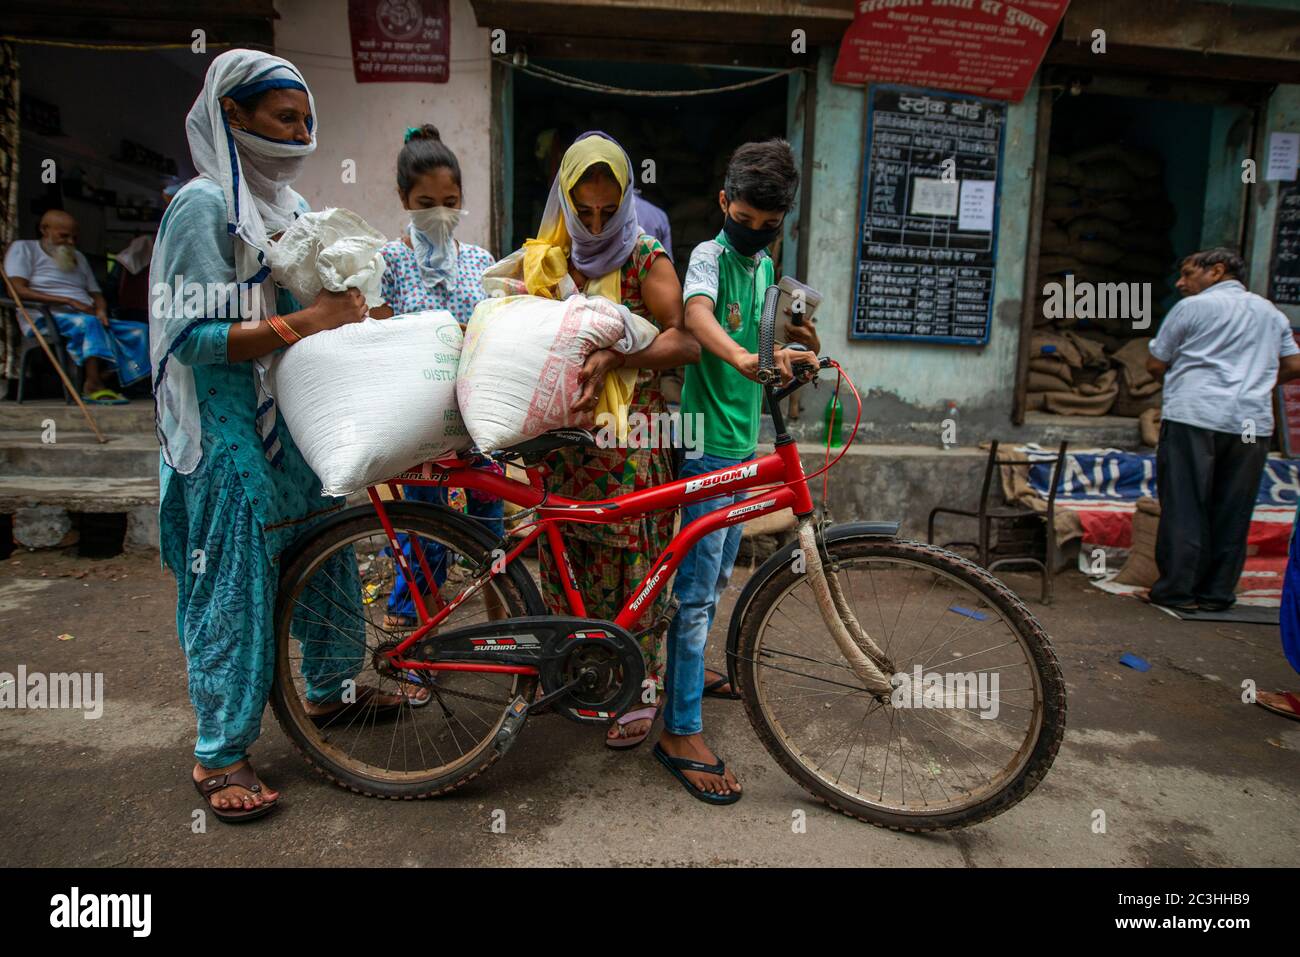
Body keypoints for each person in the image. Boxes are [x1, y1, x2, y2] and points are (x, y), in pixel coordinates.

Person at [151, 50, 405, 824]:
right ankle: (220, 749)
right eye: (283, 118)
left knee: (324, 540)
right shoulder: (201, 206)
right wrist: (307, 321)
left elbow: (309, 305)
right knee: (234, 577)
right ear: (233, 115)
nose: (301, 132)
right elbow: (191, 336)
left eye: (306, 119)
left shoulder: (287, 206)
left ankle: (327, 692)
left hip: (286, 407)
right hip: (225, 419)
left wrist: (354, 313)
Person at [523, 131, 700, 748]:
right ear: (566, 201)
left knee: (635, 566)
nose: (595, 223)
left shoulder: (645, 258)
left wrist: (619, 357)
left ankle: (637, 687)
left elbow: (684, 340)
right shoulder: (551, 255)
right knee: (568, 558)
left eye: (607, 210)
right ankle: (578, 674)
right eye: (584, 211)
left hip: (630, 444)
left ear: (626, 199)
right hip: (566, 443)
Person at [656, 139, 818, 804]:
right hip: (706, 444)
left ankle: (688, 680)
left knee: (720, 573)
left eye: (767, 226)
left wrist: (785, 351)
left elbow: (756, 339)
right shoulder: (709, 256)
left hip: (744, 442)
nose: (752, 234)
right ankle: (678, 728)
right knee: (695, 592)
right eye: (743, 219)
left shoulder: (766, 268)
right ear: (724, 202)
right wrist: (745, 359)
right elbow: (697, 318)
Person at [370, 124, 504, 639]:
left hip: (477, 420)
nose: (440, 213)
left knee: (490, 526)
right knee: (423, 535)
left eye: (450, 201)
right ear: (404, 198)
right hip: (417, 424)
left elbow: (494, 331)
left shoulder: (478, 262)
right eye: (426, 202)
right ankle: (412, 634)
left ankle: (502, 627)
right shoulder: (388, 263)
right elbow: (379, 340)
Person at [1145, 247, 1300, 612]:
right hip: (1249, 423)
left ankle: (1177, 592)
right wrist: (1260, 384)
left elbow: (1155, 363)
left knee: (1184, 503)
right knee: (1233, 506)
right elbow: (1294, 364)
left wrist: (1181, 380)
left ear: (1216, 270)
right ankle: (1216, 594)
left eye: (1187, 273)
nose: (1180, 283)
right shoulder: (1269, 312)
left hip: (1195, 416)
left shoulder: (1192, 308)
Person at [4, 209, 150, 402]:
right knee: (88, 323)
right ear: (44, 229)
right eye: (64, 236)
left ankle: (107, 378)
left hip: (86, 315)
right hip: (45, 317)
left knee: (141, 330)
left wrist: (101, 310)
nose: (71, 242)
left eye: (74, 237)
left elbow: (96, 293)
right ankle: (92, 384)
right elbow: (17, 290)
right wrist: (69, 302)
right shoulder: (23, 248)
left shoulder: (78, 257)